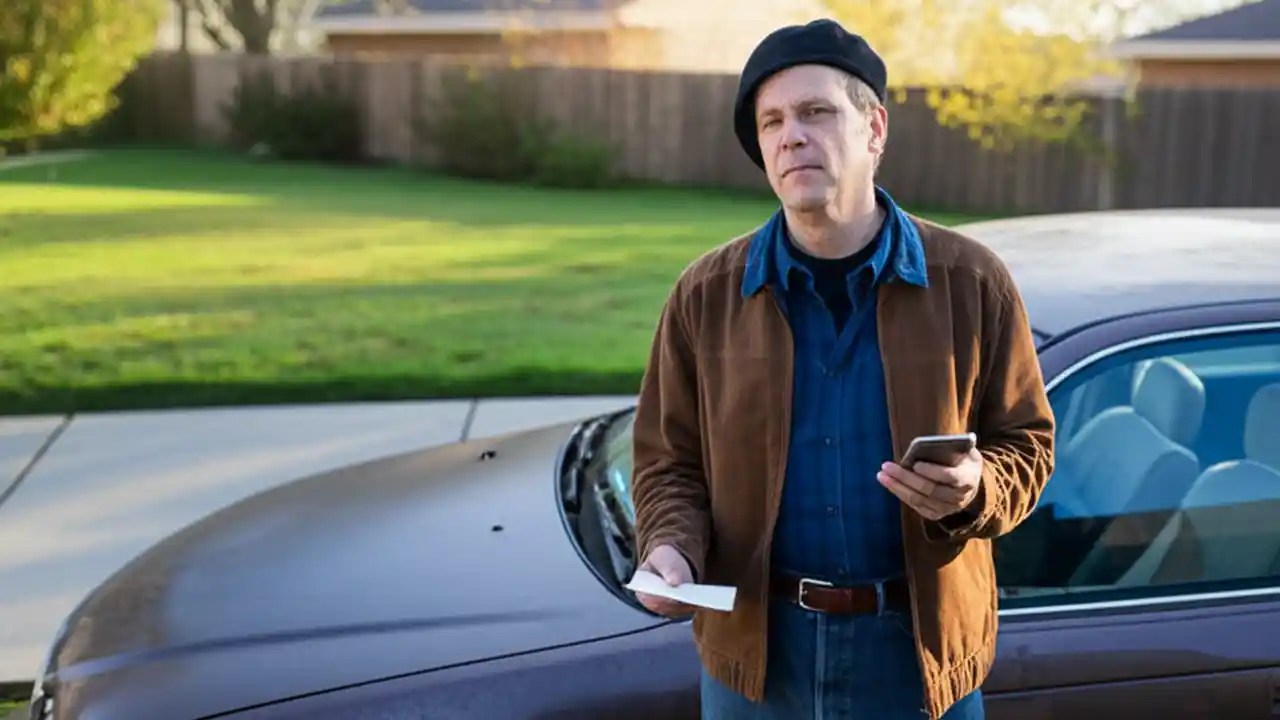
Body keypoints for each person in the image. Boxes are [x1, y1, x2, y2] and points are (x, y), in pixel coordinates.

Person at [627, 17, 1055, 720]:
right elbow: (667, 462)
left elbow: (1030, 447)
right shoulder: (703, 296)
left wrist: (978, 489)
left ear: (875, 129)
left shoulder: (971, 282)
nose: (791, 134)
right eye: (771, 122)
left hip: (918, 663)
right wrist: (671, 546)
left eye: (816, 111)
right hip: (757, 666)